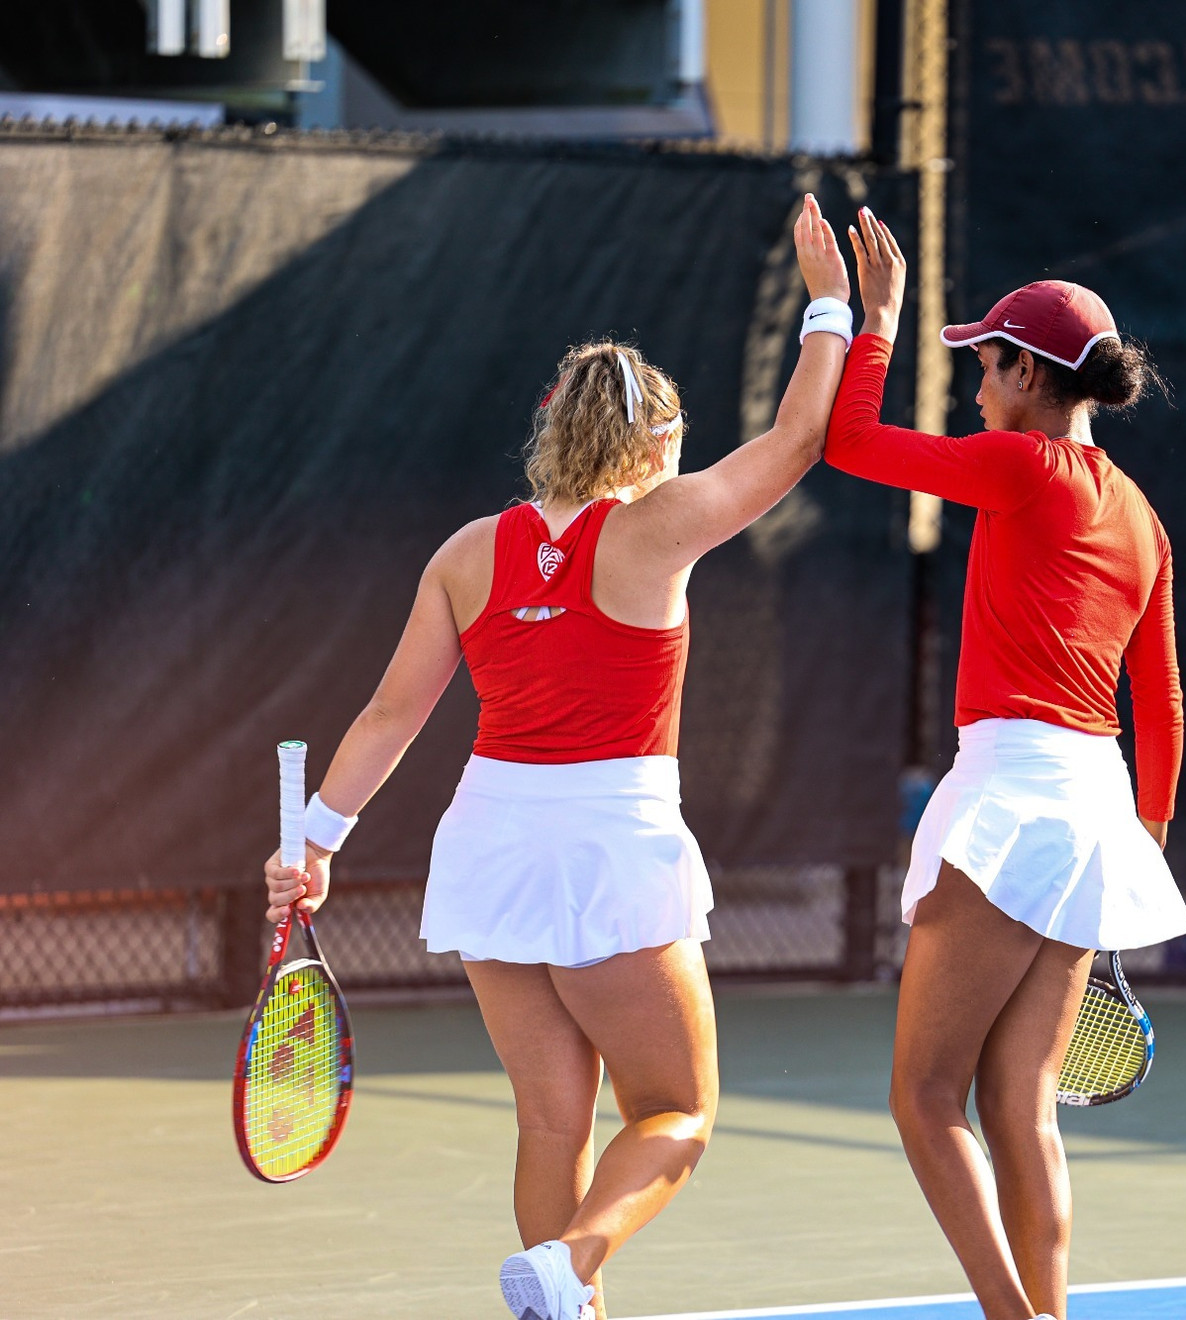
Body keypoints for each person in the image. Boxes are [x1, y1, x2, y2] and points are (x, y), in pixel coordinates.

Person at [260, 197, 854, 1320]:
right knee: (678, 1114)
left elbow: (391, 716)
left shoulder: (467, 553)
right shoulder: (660, 526)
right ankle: (569, 1271)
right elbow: (795, 443)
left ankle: (560, 1302)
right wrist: (831, 302)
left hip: (489, 846)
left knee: (550, 1122)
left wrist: (315, 843)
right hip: (606, 844)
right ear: (655, 443)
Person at [825, 208, 1186, 1320]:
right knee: (1018, 1104)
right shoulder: (1143, 516)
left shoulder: (1022, 467)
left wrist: (874, 324)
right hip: (1097, 808)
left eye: (987, 365)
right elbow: (1163, 706)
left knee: (925, 1095)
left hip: (1016, 791)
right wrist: (1143, 837)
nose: (978, 387)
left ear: (1030, 375)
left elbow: (850, 444)